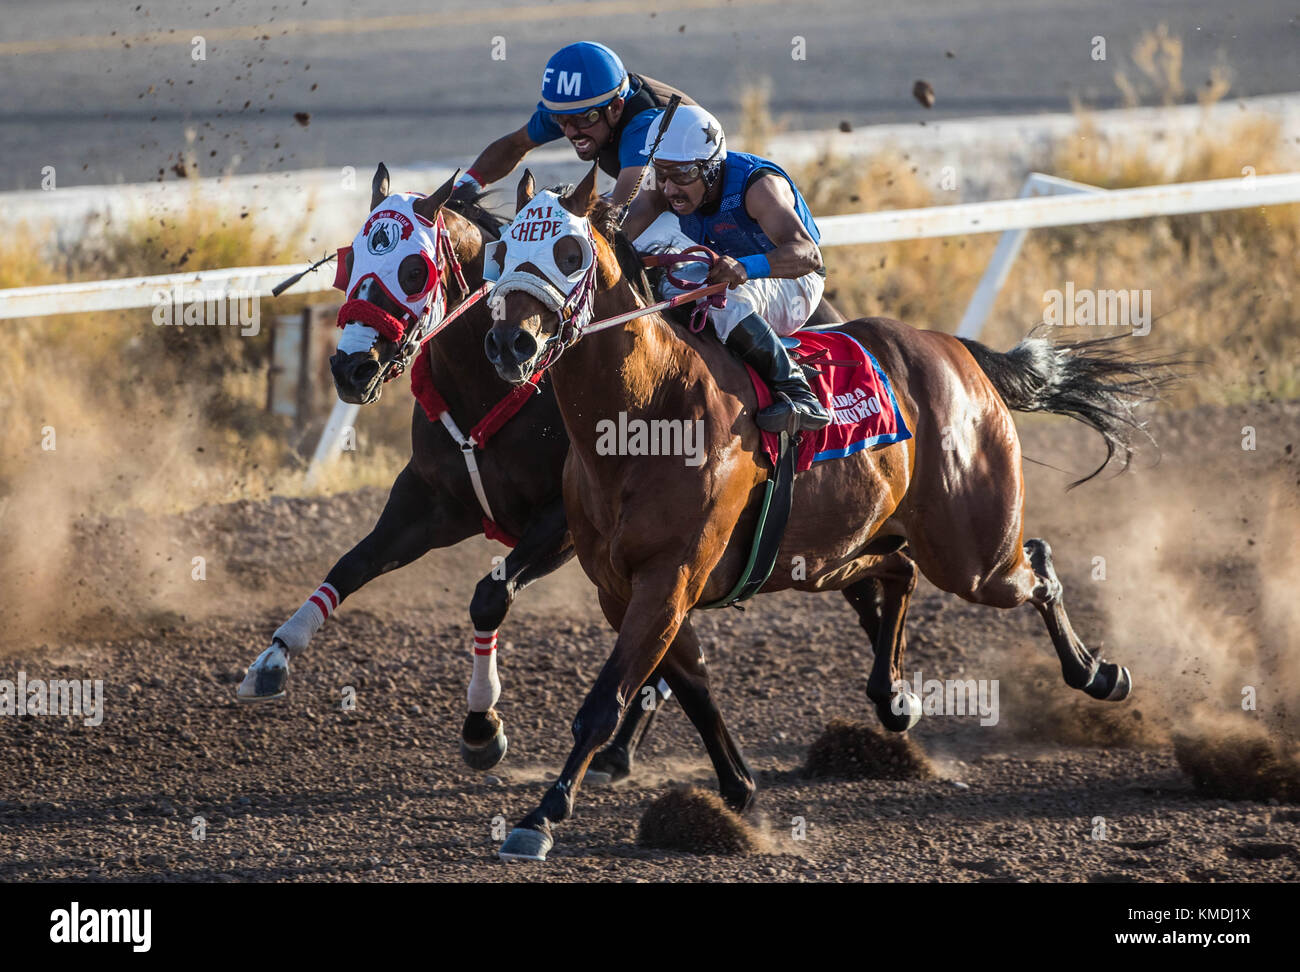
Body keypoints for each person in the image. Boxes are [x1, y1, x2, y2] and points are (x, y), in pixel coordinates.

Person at [622, 105, 832, 434]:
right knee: (662, 287)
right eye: (661, 174)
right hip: (729, 272)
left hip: (793, 278)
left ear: (711, 168)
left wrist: (747, 267)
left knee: (714, 300)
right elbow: (618, 231)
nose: (669, 188)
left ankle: (797, 392)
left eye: (682, 175)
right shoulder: (667, 185)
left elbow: (808, 256)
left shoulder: (757, 187)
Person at [454, 42, 694, 209]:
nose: (570, 132)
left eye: (582, 118)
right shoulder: (573, 111)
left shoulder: (644, 124)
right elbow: (515, 145)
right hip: (652, 198)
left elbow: (622, 205)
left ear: (616, 108)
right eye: (561, 120)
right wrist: (461, 191)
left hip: (692, 207)